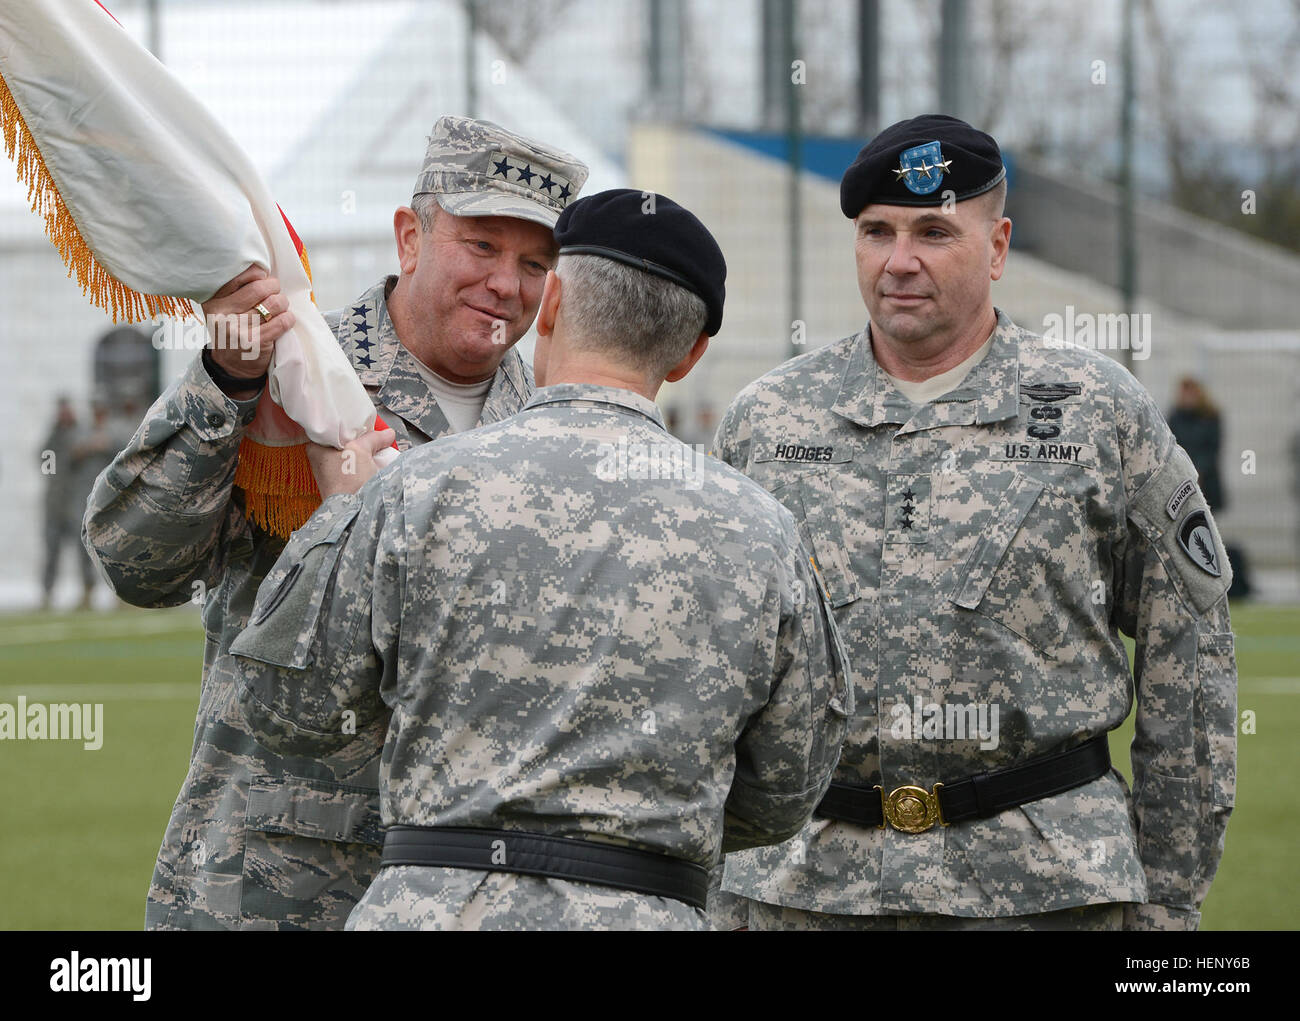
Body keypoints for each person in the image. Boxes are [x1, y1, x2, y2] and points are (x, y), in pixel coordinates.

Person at [228, 189, 852, 930]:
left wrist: (336, 510)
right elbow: (786, 786)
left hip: (433, 906)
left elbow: (285, 705)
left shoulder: (413, 492)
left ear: (549, 301)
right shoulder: (765, 533)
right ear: (689, 355)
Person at [713, 114, 1236, 931]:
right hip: (805, 892)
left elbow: (1190, 662)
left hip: (1042, 893)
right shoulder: (768, 421)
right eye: (877, 231)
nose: (900, 260)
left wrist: (1170, 898)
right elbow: (715, 675)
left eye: (934, 231)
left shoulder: (1098, 415)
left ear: (996, 246)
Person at [82, 116, 588, 930]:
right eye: (482, 247)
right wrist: (222, 382)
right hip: (277, 887)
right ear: (410, 237)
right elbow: (136, 562)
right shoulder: (295, 371)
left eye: (535, 263)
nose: (506, 284)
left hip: (469, 894)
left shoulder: (551, 423)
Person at [39, 396, 96, 611]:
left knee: (83, 550)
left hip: (75, 503)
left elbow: (88, 458)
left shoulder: (81, 433)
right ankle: (47, 593)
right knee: (51, 550)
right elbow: (44, 462)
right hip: (55, 504)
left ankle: (87, 592)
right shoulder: (54, 436)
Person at [1167, 377, 1225, 512]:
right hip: (1182, 477)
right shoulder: (1175, 417)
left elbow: (1213, 448)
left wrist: (1199, 471)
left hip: (1207, 478)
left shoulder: (1211, 416)